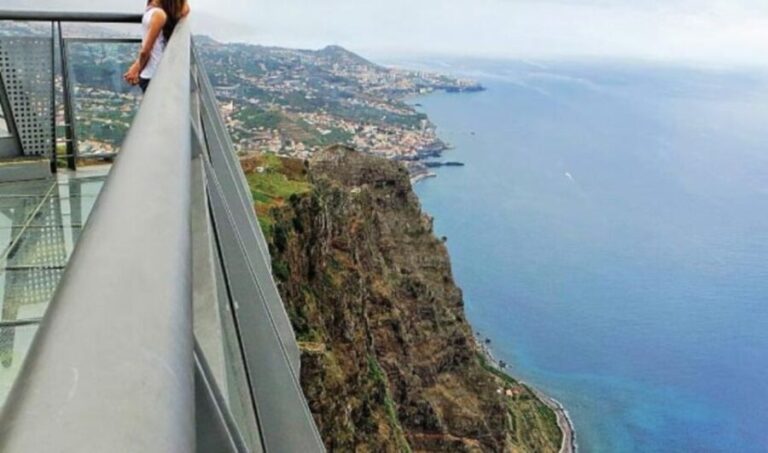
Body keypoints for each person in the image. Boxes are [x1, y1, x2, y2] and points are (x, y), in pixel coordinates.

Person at [124, 0, 190, 92]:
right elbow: (146, 51)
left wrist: (137, 69)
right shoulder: (160, 14)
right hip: (158, 73)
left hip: (150, 74)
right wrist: (136, 69)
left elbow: (146, 50)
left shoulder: (153, 11)